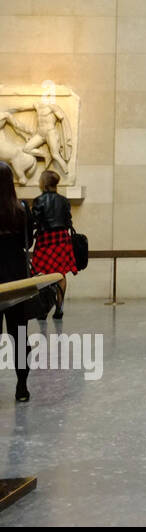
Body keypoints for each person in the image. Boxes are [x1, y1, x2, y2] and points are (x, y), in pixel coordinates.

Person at [0, 163, 40, 402]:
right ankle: (22, 387)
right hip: (17, 281)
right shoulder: (22, 209)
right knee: (19, 335)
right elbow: (28, 244)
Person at [29, 169, 76, 320]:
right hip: (62, 238)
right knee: (60, 274)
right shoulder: (64, 200)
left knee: (40, 273)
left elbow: (34, 222)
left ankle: (43, 308)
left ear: (43, 183)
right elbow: (68, 220)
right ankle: (59, 308)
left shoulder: (38, 201)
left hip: (45, 239)